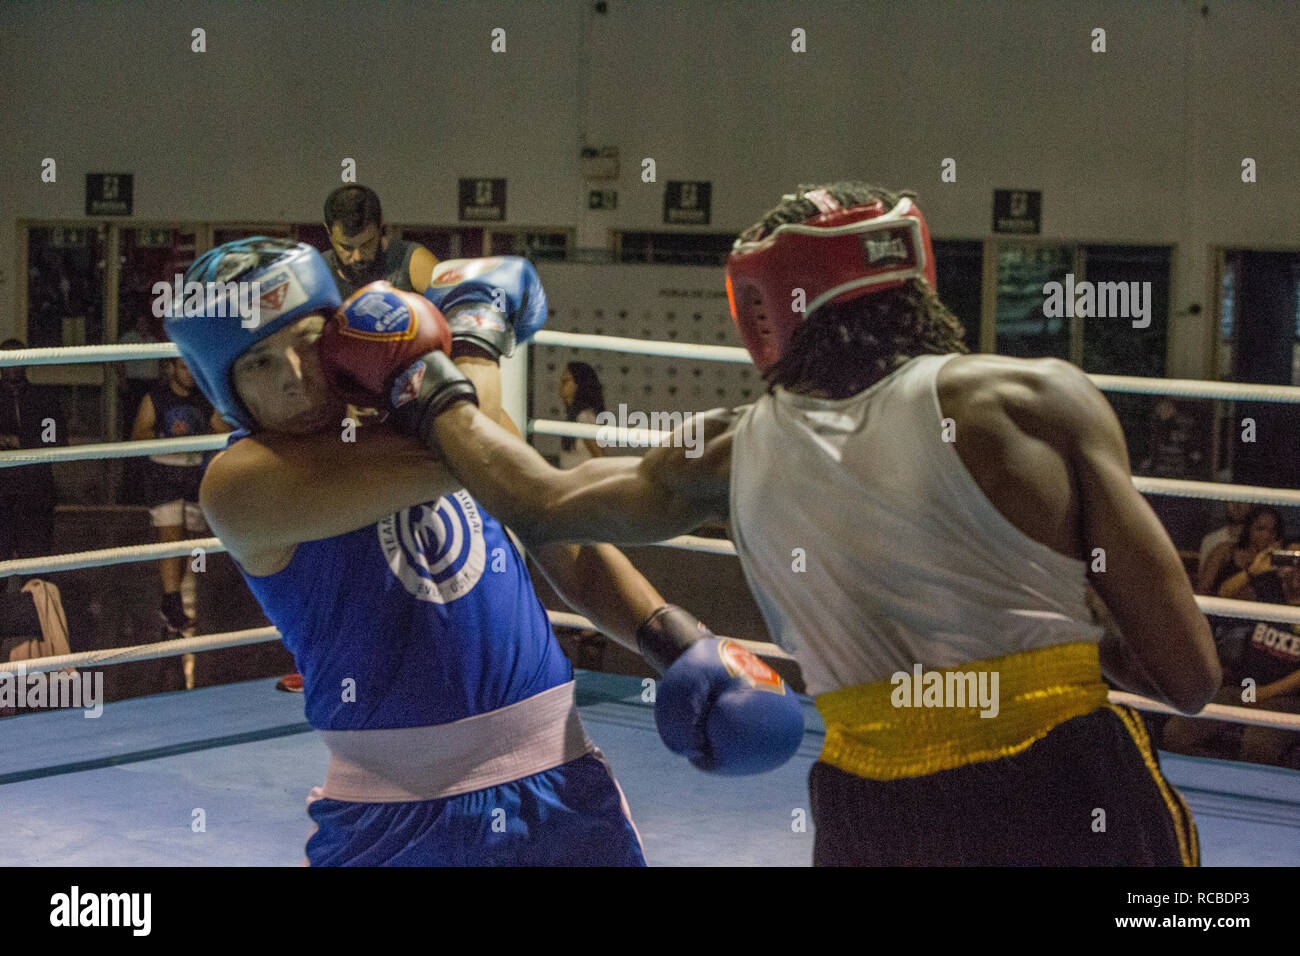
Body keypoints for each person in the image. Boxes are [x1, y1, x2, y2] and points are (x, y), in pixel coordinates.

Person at [415, 181, 1223, 865]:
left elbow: (534, 501)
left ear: (763, 311)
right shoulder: (1034, 400)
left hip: (869, 806)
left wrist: (433, 378)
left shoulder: (726, 449)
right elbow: (1189, 678)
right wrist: (1066, 639)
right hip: (1066, 780)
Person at [165, 237, 801, 866]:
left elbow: (557, 536)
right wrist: (472, 338)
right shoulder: (240, 484)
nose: (296, 379)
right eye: (259, 363)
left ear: (336, 335)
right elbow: (470, 450)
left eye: (307, 341)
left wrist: (672, 639)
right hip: (394, 816)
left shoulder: (423, 413)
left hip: (560, 778)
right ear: (225, 388)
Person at [1163, 541, 1300, 768]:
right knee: (1176, 733)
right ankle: (1209, 788)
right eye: (1291, 559)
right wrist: (1252, 571)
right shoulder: (1270, 589)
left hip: (1288, 699)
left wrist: (1264, 694)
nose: (1297, 568)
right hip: (1243, 688)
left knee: (1258, 747)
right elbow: (1224, 596)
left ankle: (1252, 796)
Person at [130, 356, 228, 636]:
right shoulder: (156, 397)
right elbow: (139, 435)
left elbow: (224, 429)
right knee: (170, 537)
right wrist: (166, 442)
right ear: (171, 368)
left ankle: (170, 601)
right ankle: (173, 604)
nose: (190, 374)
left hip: (194, 472)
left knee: (183, 541)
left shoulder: (205, 397)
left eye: (193, 368)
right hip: (164, 473)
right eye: (184, 367)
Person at [0, 339, 65, 580]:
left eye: (17, 360)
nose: (12, 367)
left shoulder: (43, 398)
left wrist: (19, 442)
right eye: (7, 361)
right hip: (2, 494)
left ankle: (39, 616)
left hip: (35, 493)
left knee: (36, 571)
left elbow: (54, 440)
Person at [320, 185, 438, 299]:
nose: (358, 256)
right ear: (328, 231)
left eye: (366, 244)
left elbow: (454, 311)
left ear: (380, 224)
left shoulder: (411, 260)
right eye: (347, 247)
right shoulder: (317, 273)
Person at [1198, 506, 1284, 596]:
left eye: (1272, 531)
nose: (1266, 535)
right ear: (1249, 529)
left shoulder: (1275, 562)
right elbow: (1203, 589)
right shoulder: (1224, 551)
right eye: (1260, 529)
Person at [558, 361, 607, 469]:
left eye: (566, 381)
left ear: (579, 385)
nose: (561, 384)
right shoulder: (576, 415)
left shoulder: (584, 417)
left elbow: (599, 456)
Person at [1198, 500, 1251, 579]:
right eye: (1231, 501)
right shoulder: (1210, 540)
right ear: (1225, 504)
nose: (1237, 505)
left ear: (1251, 504)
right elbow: (1203, 581)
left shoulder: (1257, 539)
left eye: (1243, 500)